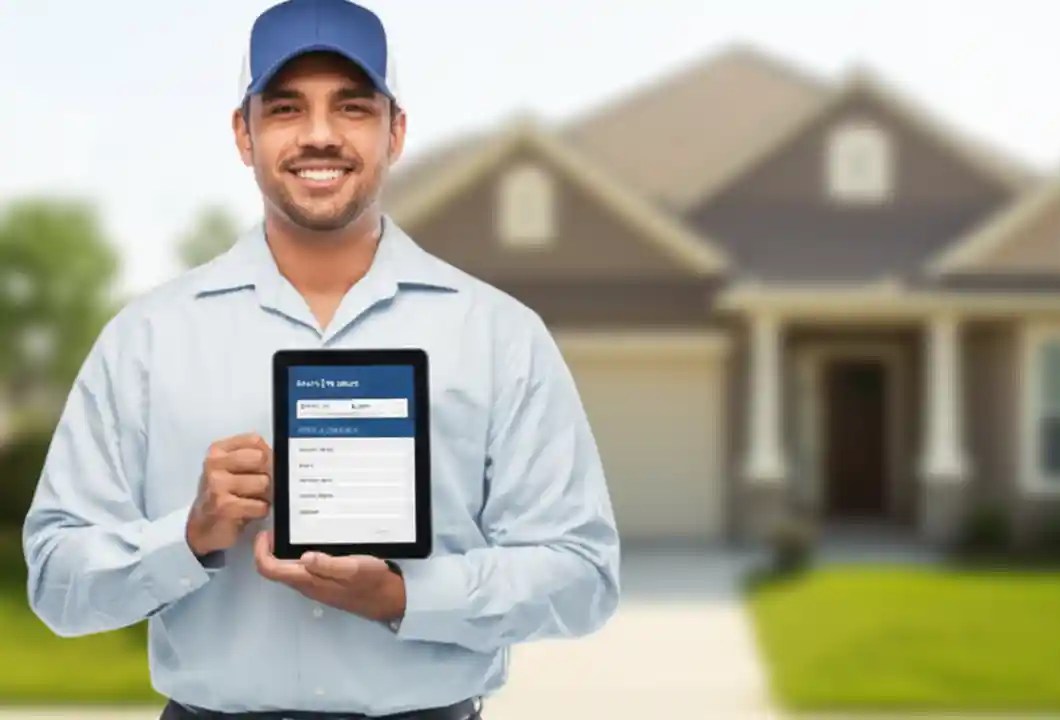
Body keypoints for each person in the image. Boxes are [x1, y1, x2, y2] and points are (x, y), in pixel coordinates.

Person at [20, 0, 622, 717]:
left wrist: (407, 595)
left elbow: (583, 578)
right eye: (284, 109)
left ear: (395, 131)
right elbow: (56, 583)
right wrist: (187, 535)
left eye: (352, 107)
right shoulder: (147, 339)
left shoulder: (497, 337)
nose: (319, 136)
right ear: (243, 134)